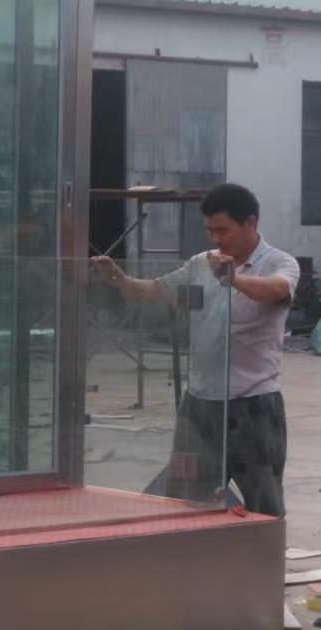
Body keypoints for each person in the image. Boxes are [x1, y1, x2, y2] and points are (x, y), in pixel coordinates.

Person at [93, 181, 299, 515]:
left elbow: (277, 290)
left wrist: (233, 279)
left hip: (252, 404)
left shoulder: (279, 263)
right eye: (210, 230)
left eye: (223, 230)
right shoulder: (201, 264)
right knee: (185, 500)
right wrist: (118, 279)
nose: (216, 239)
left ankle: (261, 550)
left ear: (251, 222)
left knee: (264, 502)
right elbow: (157, 291)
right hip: (200, 405)